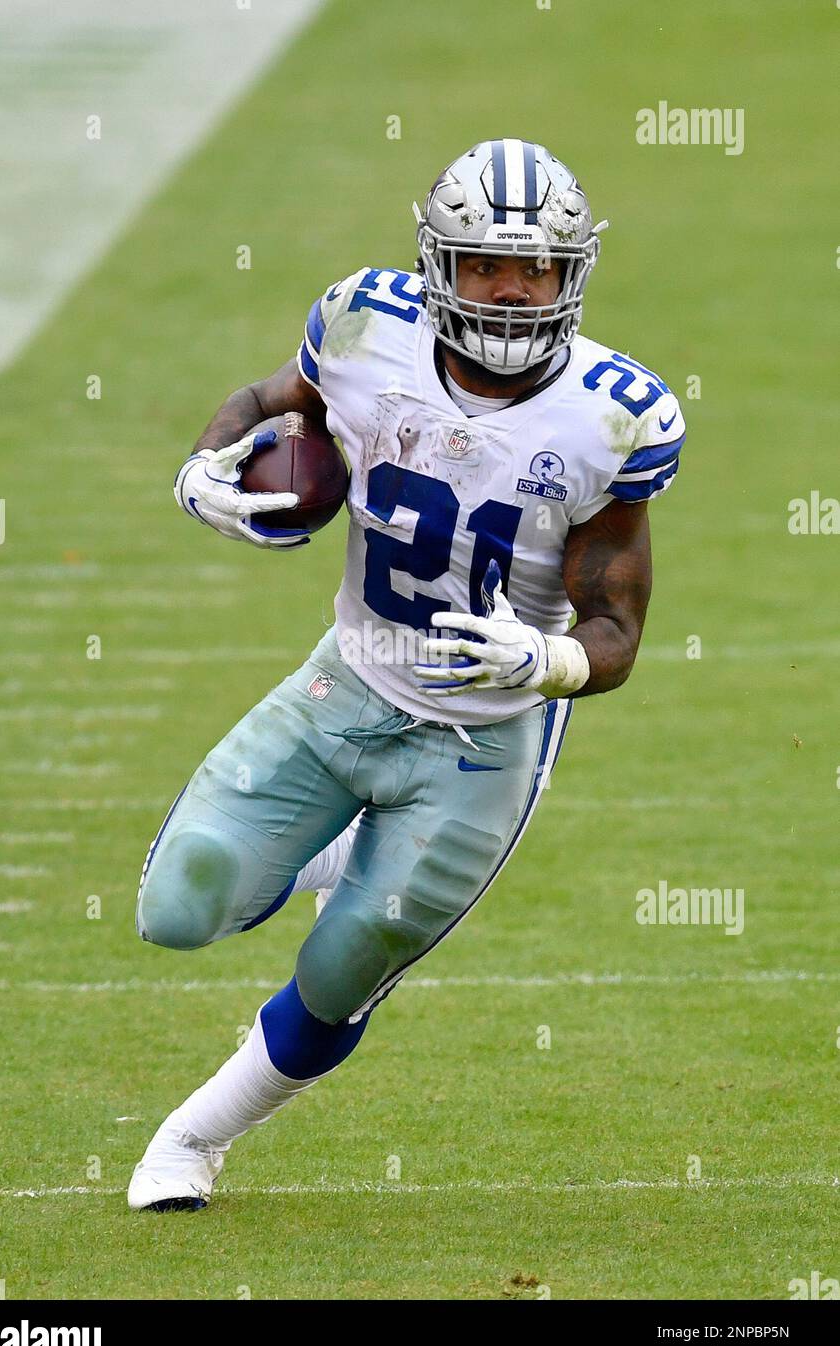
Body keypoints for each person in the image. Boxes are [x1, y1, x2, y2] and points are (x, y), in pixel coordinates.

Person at [128, 138, 686, 1211]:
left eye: (536, 268)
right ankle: (334, 846)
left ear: (576, 273)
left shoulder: (613, 416)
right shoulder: (362, 324)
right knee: (177, 906)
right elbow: (268, 403)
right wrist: (203, 465)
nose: (512, 290)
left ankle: (192, 1138)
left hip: (486, 739)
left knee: (344, 972)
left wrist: (551, 655)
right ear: (439, 263)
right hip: (347, 683)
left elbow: (616, 625)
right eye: (484, 265)